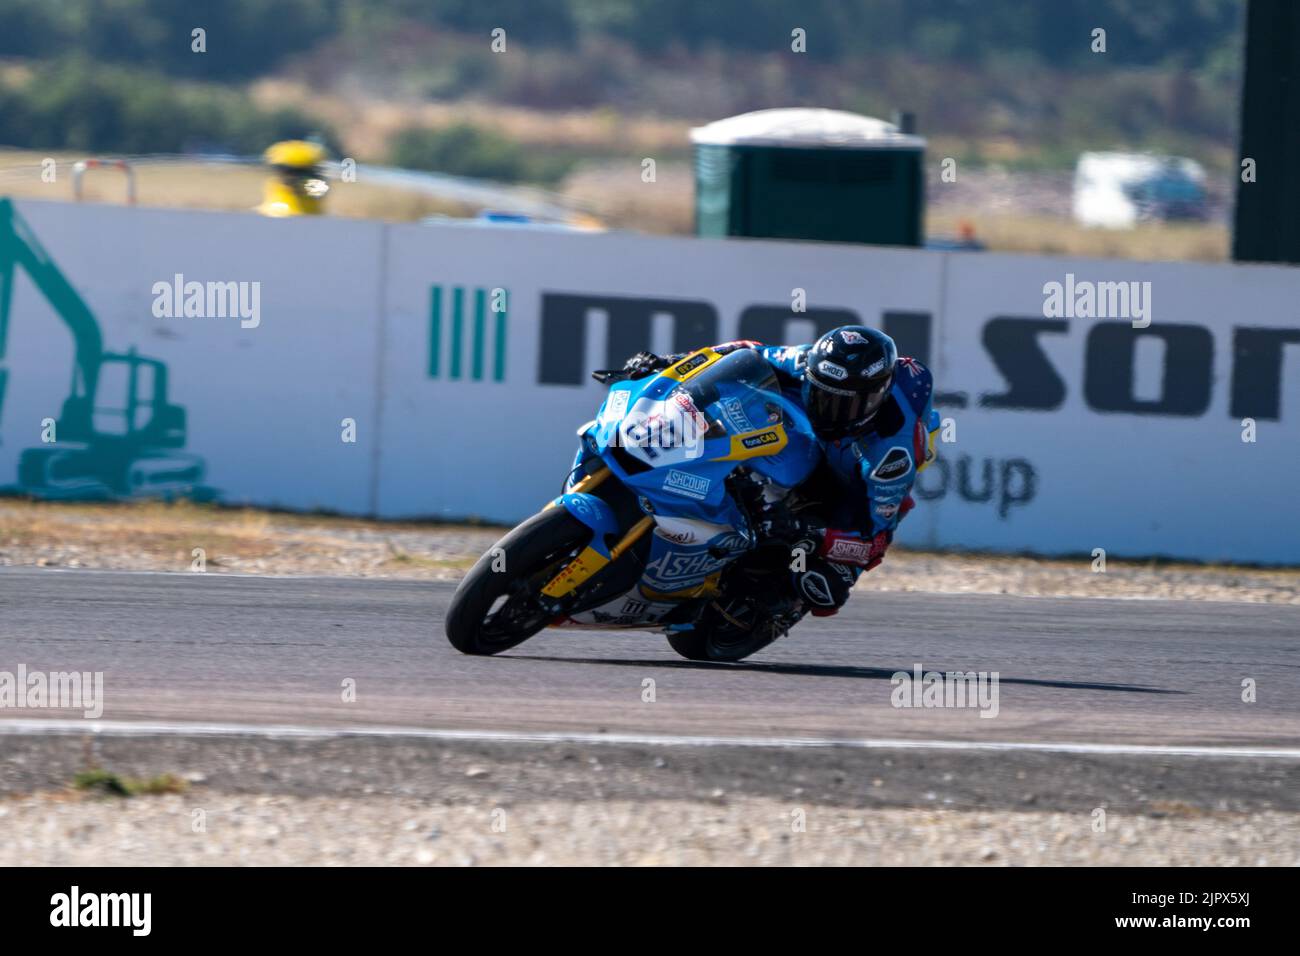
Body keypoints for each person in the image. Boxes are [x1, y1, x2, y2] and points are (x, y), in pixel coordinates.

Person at [615, 326, 940, 617]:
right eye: (822, 393)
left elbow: (875, 538)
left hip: (853, 461)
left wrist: (811, 533)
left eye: (845, 403)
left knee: (827, 585)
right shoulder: (804, 361)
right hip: (800, 424)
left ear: (875, 400)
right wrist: (668, 363)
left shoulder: (890, 455)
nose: (829, 408)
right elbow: (744, 351)